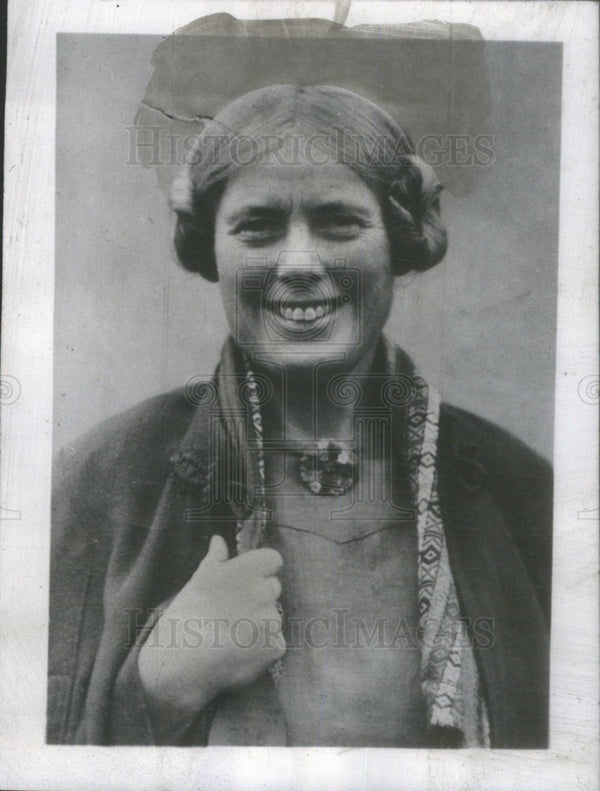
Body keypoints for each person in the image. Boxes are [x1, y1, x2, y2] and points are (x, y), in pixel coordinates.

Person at [47, 84, 552, 749]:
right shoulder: (108, 477)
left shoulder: (518, 487)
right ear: (212, 247)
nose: (299, 264)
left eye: (339, 222)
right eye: (257, 227)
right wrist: (160, 684)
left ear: (397, 238)